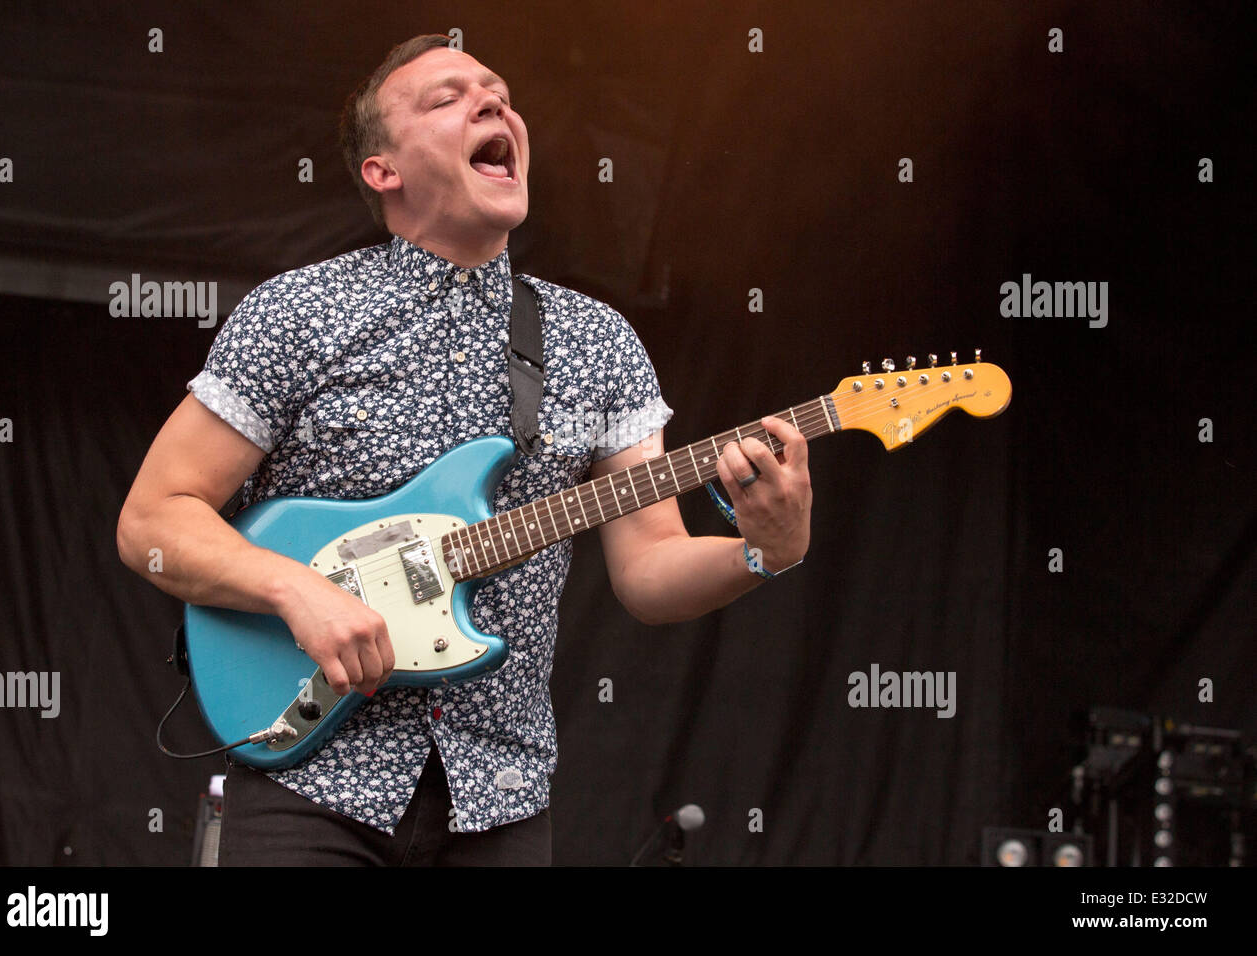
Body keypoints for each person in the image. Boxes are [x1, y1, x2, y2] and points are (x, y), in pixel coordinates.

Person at [116, 34, 812, 866]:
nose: (494, 105)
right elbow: (153, 517)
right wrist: (295, 589)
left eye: (500, 94)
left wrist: (767, 551)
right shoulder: (296, 315)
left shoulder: (597, 342)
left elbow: (651, 571)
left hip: (500, 797)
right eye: (448, 98)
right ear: (383, 170)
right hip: (311, 778)